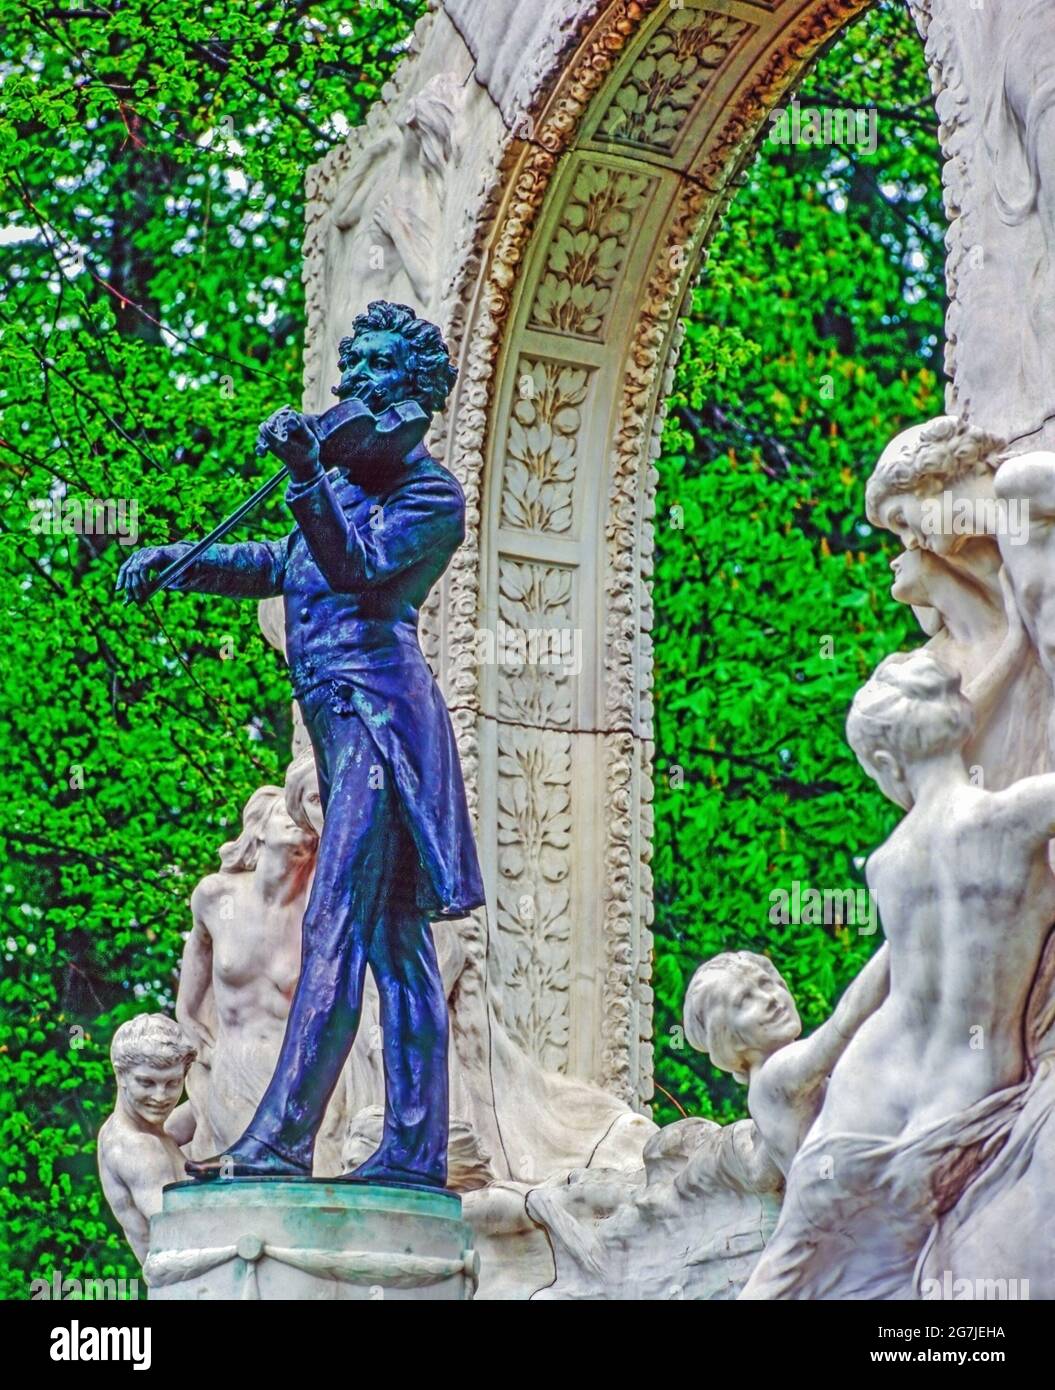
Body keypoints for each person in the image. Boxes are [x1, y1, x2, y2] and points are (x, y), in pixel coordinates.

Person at [117, 300, 485, 1188]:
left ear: (412, 394)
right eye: (349, 373)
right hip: (345, 724)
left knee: (338, 920)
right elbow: (281, 562)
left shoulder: (428, 496)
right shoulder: (346, 486)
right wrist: (178, 560)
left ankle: (282, 1141)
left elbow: (355, 566)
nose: (351, 390)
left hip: (381, 724)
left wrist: (306, 478)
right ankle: (411, 1149)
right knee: (395, 946)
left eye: (373, 377)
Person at [741, 650, 1055, 1299]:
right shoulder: (1016, 816)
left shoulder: (886, 864)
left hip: (859, 1108)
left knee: (783, 1280)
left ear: (884, 764)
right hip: (960, 1106)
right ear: (959, 730)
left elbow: (874, 992)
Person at [98, 1014, 197, 1262]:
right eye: (146, 1083)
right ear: (120, 1075)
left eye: (173, 1083)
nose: (161, 1096)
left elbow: (201, 1109)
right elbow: (181, 1234)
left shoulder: (148, 1131)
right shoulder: (139, 1147)